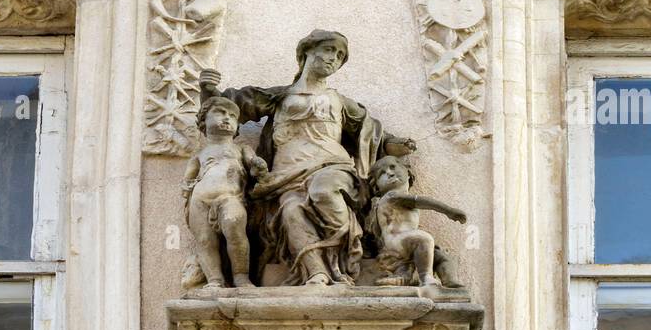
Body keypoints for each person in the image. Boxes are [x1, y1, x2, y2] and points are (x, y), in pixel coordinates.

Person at [199, 30, 415, 286]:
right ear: (306, 53)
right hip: (285, 172)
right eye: (328, 50)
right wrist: (208, 89)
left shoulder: (339, 101)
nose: (333, 58)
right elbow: (228, 107)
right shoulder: (280, 97)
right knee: (291, 212)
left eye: (339, 55)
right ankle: (317, 273)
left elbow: (370, 131)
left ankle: (344, 262)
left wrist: (394, 144)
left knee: (323, 192)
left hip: (331, 164)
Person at [182, 96, 269, 291]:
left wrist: (258, 168)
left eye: (232, 115)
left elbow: (253, 164)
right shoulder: (200, 154)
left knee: (234, 226)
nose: (227, 118)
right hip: (199, 199)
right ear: (204, 121)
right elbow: (188, 179)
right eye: (220, 113)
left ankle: (241, 277)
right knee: (205, 240)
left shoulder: (240, 149)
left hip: (230, 196)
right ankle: (215, 280)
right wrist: (186, 188)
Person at [366, 156, 465, 288]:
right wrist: (448, 210)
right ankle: (426, 278)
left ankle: (449, 280)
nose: (389, 173)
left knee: (442, 257)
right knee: (424, 239)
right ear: (376, 186)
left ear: (408, 172)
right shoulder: (391, 196)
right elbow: (420, 201)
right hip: (396, 242)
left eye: (393, 167)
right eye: (382, 174)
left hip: (405, 243)